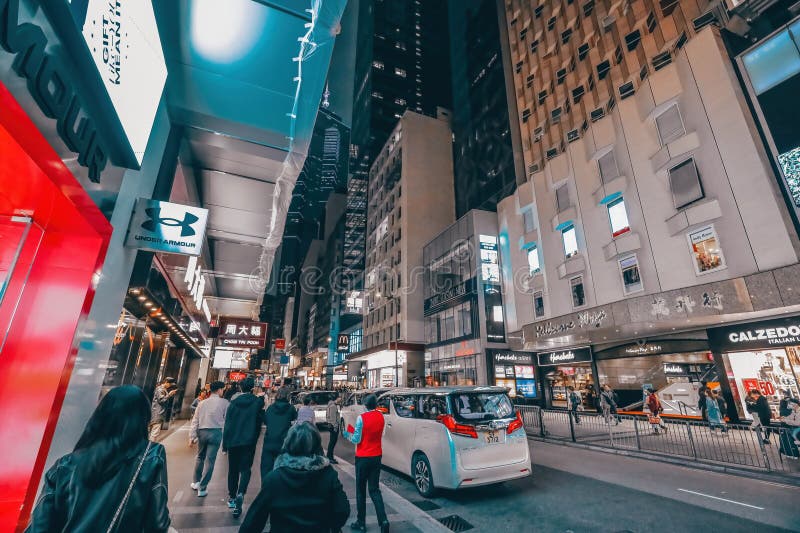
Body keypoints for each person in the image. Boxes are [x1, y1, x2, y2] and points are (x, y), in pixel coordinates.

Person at [25, 385, 171, 532]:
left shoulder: (64, 465)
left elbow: (40, 527)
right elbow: (158, 524)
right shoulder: (152, 455)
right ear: (142, 419)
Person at [240, 423, 350, 533]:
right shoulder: (328, 475)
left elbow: (253, 521)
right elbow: (342, 510)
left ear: (287, 443)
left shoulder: (274, 479)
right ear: (317, 446)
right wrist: (330, 527)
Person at [342, 394, 389, 533]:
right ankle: (384, 521)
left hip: (362, 457)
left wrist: (347, 434)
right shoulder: (381, 416)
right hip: (376, 456)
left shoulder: (361, 418)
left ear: (365, 405)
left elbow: (356, 439)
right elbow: (383, 434)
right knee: (375, 490)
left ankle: (361, 522)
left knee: (361, 491)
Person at [224, 378, 265, 518]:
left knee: (233, 469)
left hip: (233, 441)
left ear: (240, 388)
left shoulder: (233, 403)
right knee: (246, 469)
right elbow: (261, 419)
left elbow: (228, 424)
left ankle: (232, 497)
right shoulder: (257, 402)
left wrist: (224, 444)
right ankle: (241, 492)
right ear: (253, 387)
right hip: (249, 442)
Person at [190, 381, 228, 497]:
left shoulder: (202, 403)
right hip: (216, 432)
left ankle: (196, 482)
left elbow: (195, 420)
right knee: (210, 461)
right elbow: (227, 422)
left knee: (200, 457)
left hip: (202, 432)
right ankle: (202, 488)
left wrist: (192, 436)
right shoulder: (225, 403)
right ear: (220, 390)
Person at [261, 387, 298, 485]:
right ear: (288, 396)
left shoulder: (271, 408)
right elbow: (295, 421)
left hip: (269, 441)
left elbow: (265, 420)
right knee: (284, 468)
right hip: (284, 442)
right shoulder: (291, 409)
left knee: (266, 468)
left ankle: (266, 489)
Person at [325, 393, 340, 464]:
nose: (340, 399)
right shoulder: (333, 406)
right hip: (333, 426)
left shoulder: (329, 405)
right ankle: (330, 457)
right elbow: (333, 418)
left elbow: (328, 416)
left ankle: (329, 456)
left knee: (331, 442)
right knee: (332, 443)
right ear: (336, 398)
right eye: (338, 397)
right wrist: (335, 427)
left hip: (330, 425)